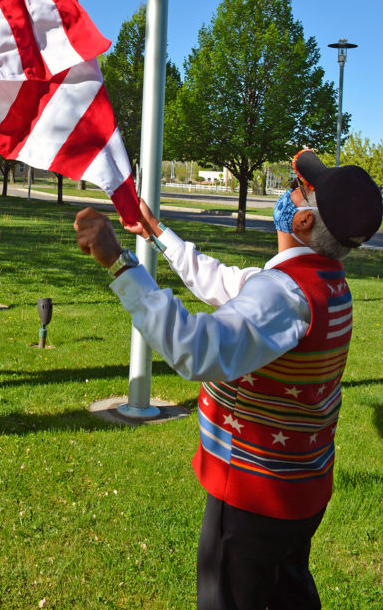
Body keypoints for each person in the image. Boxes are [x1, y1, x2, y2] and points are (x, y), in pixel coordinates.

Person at [74, 148, 382, 610]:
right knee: (287, 593)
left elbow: (195, 349)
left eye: (298, 189)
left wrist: (119, 264)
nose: (288, 191)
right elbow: (225, 282)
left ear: (300, 222)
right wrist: (158, 233)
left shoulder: (285, 296)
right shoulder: (321, 281)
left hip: (251, 498)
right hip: (300, 491)